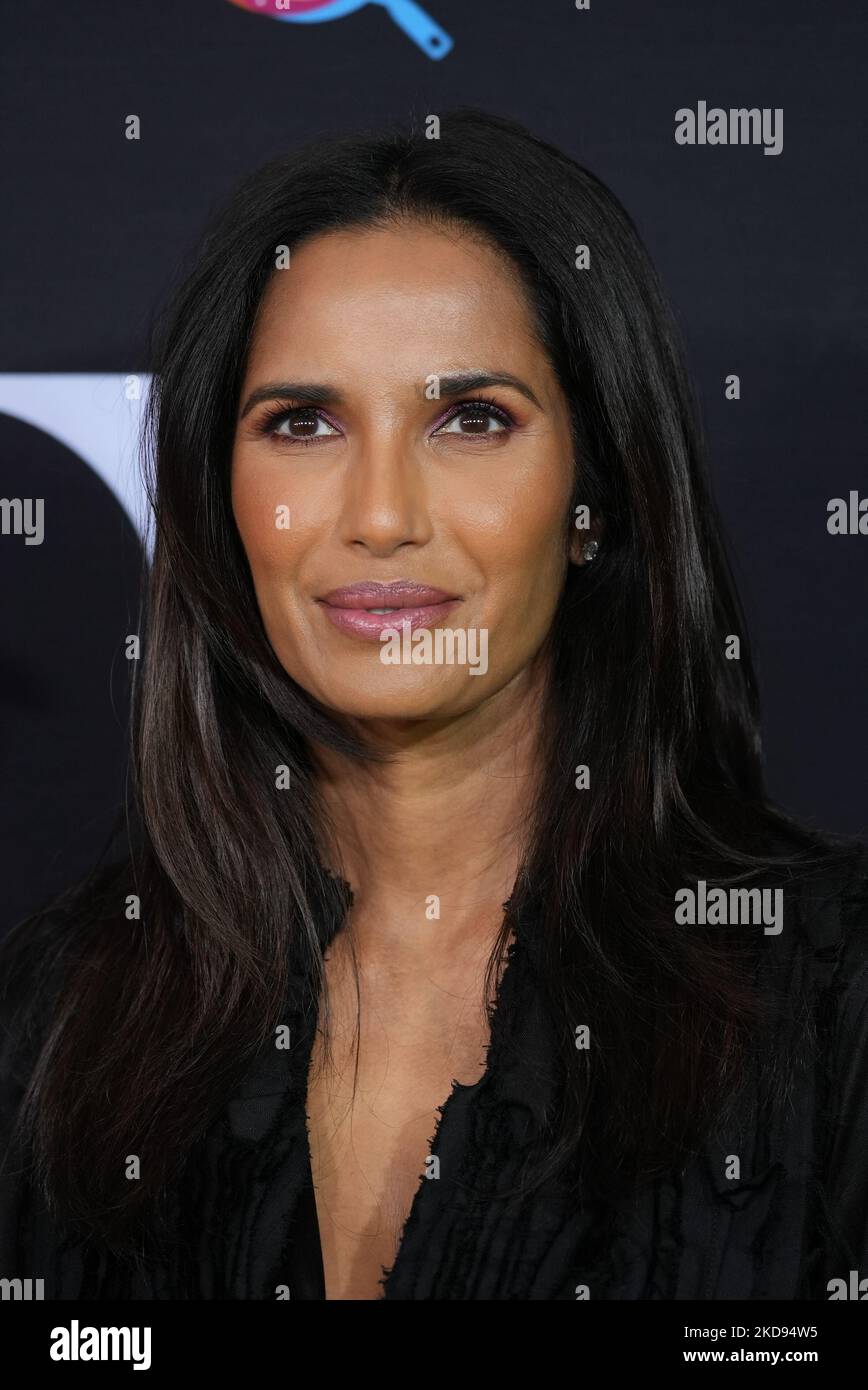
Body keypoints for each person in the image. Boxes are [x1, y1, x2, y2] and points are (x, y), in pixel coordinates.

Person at [1, 107, 866, 1301]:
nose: (381, 513)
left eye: (471, 419)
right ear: (220, 500)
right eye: (302, 422)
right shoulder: (54, 1013)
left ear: (593, 496)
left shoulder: (832, 999)